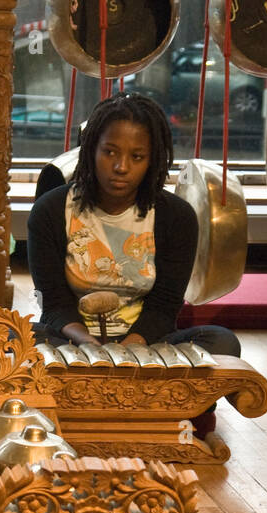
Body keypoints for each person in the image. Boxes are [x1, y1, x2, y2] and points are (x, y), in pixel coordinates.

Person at [27, 92, 240, 361]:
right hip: (71, 343)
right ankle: (150, 395)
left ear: (152, 160)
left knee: (221, 342)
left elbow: (164, 307)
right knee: (8, 339)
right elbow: (53, 303)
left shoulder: (176, 217)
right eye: (110, 152)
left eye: (137, 157)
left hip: (146, 345)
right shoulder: (50, 210)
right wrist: (92, 348)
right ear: (91, 150)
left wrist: (126, 351)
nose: (121, 167)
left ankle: (93, 391)